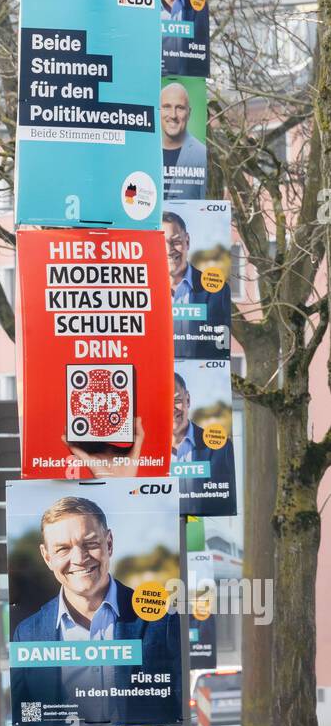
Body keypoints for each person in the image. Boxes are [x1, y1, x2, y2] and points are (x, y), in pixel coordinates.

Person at [10, 496, 181, 726]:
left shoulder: (161, 621)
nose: (79, 559)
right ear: (47, 557)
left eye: (90, 543)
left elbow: (172, 707)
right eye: (63, 549)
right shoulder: (28, 634)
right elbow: (29, 718)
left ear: (109, 544)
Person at [163, 209, 231, 358]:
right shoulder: (141, 291)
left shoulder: (217, 291)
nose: (169, 250)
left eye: (176, 241)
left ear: (187, 241)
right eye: (161, 242)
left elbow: (221, 348)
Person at [172, 372, 237, 511]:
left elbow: (224, 503)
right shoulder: (142, 454)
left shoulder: (220, 448)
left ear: (187, 400)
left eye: (176, 400)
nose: (171, 409)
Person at [161, 82, 207, 197]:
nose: (173, 115)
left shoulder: (203, 155)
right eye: (167, 107)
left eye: (180, 108)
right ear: (158, 110)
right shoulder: (145, 153)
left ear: (189, 113)